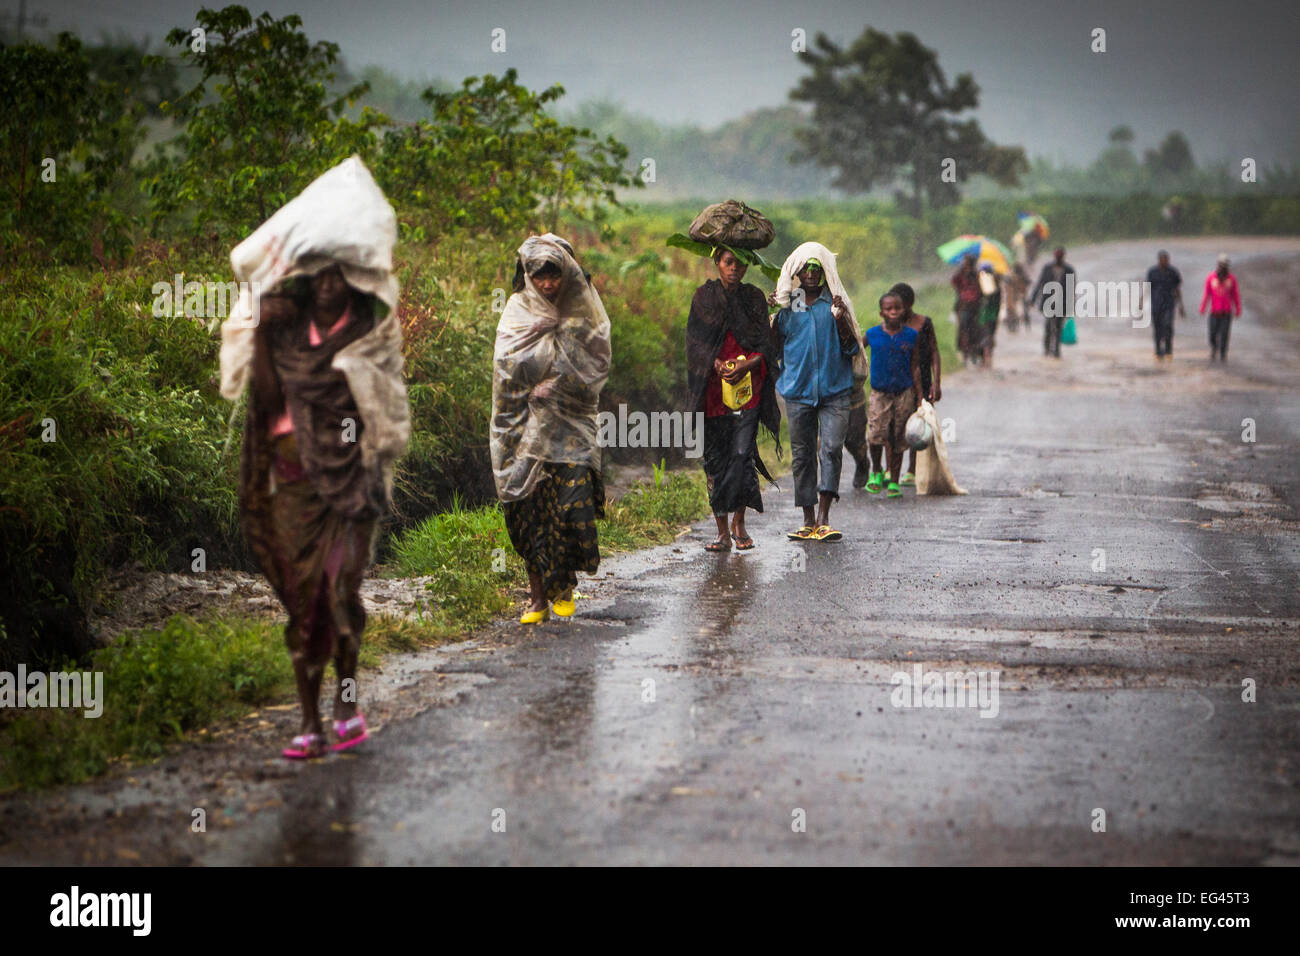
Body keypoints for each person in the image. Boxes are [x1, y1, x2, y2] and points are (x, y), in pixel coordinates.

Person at [220, 159, 408, 761]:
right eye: (318, 276)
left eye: (337, 276)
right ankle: (307, 720)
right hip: (292, 488)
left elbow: (380, 410)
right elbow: (270, 399)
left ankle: (346, 702)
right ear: (307, 281)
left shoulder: (369, 336)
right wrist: (259, 337)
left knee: (341, 599)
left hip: (351, 489)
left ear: (352, 280)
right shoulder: (283, 334)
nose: (327, 284)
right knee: (304, 607)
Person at [492, 234, 611, 623]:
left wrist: (558, 381)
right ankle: (537, 599)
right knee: (529, 510)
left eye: (554, 276)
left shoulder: (582, 312)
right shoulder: (516, 310)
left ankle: (565, 583)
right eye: (539, 276)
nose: (547, 284)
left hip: (571, 424)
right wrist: (532, 384)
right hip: (522, 425)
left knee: (570, 505)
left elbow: (595, 363)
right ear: (528, 276)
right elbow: (506, 365)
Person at [686, 248, 782, 552]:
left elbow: (766, 345)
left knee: (742, 455)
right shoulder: (704, 297)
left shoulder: (753, 298)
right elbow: (695, 342)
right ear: (717, 263)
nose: (734, 269)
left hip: (748, 391)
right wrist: (715, 364)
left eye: (740, 264)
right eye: (729, 262)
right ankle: (722, 531)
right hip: (713, 392)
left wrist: (746, 364)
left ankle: (739, 521)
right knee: (715, 460)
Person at [769, 242, 862, 542]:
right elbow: (772, 347)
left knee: (832, 448)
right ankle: (807, 519)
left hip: (835, 390)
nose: (811, 274)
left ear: (824, 273)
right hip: (797, 391)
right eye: (806, 269)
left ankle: (824, 518)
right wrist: (769, 312)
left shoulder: (834, 305)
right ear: (797, 273)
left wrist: (841, 320)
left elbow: (851, 348)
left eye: (816, 269)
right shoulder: (788, 308)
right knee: (802, 455)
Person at [864, 292, 923, 498]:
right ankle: (877, 471)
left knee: (899, 436)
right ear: (882, 312)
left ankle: (894, 481)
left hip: (904, 392)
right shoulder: (872, 334)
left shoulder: (910, 336)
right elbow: (854, 351)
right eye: (889, 309)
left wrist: (920, 395)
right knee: (875, 434)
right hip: (879, 393)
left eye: (897, 308)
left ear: (903, 310)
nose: (893, 312)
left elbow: (915, 366)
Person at [887, 282, 940, 487]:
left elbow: (934, 352)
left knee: (918, 426)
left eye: (899, 306)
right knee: (894, 427)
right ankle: (891, 469)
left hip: (923, 381)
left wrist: (937, 382)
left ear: (908, 304)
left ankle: (912, 469)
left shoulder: (923, 324)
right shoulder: (890, 326)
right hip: (898, 382)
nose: (895, 311)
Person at [1031, 247, 1076, 358]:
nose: (1058, 258)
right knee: (1048, 327)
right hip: (1048, 303)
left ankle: (1056, 350)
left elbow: (1071, 289)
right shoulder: (1047, 268)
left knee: (1058, 327)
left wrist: (1070, 306)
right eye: (1057, 255)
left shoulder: (1069, 270)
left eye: (1060, 256)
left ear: (1063, 256)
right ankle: (1046, 350)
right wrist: (1033, 298)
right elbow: (1040, 284)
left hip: (1062, 303)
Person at [1199, 253, 1241, 362]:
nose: (1222, 267)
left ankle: (1223, 353)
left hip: (1226, 312)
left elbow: (1235, 295)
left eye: (1224, 265)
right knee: (1212, 333)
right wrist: (1203, 308)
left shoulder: (1231, 279)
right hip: (1214, 312)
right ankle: (1214, 348)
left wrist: (1238, 309)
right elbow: (1206, 294)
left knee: (1224, 334)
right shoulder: (1211, 278)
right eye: (1221, 264)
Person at [1145, 250, 1184, 361]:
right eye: (1162, 259)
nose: (1164, 262)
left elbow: (1177, 289)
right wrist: (1141, 302)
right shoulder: (1152, 272)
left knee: (1168, 326)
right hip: (1156, 305)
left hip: (1169, 305)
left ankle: (1168, 350)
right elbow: (1147, 288)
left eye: (1166, 259)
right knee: (1157, 329)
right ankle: (1158, 351)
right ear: (1159, 260)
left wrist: (1181, 306)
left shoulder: (1173, 272)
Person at [951, 254, 981, 365]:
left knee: (974, 330)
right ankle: (965, 353)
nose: (964, 263)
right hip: (964, 306)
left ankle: (973, 352)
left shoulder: (977, 274)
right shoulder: (961, 273)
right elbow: (954, 282)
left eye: (966, 261)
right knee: (964, 329)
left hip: (975, 306)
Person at [976, 264, 1001, 369]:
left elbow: (994, 302)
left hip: (986, 317)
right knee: (988, 337)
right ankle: (987, 358)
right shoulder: (995, 285)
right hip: (990, 317)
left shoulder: (988, 286)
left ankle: (986, 359)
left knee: (986, 337)